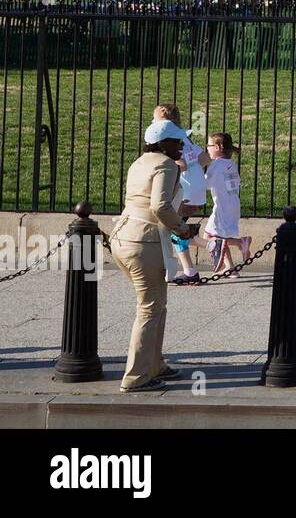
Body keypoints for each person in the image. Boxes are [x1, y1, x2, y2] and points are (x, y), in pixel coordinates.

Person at [107, 118, 202, 392]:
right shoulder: (166, 164)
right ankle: (136, 377)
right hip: (144, 241)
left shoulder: (139, 162)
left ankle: (155, 364)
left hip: (124, 236)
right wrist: (183, 229)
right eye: (176, 141)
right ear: (162, 144)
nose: (182, 145)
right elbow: (160, 205)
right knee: (149, 307)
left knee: (157, 303)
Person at [152, 105, 208, 286]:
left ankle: (207, 251)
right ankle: (191, 266)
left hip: (184, 190)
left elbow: (180, 164)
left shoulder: (168, 139)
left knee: (175, 229)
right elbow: (205, 159)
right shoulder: (185, 137)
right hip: (197, 187)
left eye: (154, 119)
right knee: (175, 228)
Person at [202, 133, 249, 272]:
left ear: (217, 147)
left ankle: (241, 243)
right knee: (220, 237)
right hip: (233, 204)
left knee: (209, 236)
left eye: (209, 146)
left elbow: (205, 184)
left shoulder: (216, 166)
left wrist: (197, 169)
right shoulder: (231, 164)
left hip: (221, 207)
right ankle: (230, 268)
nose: (207, 149)